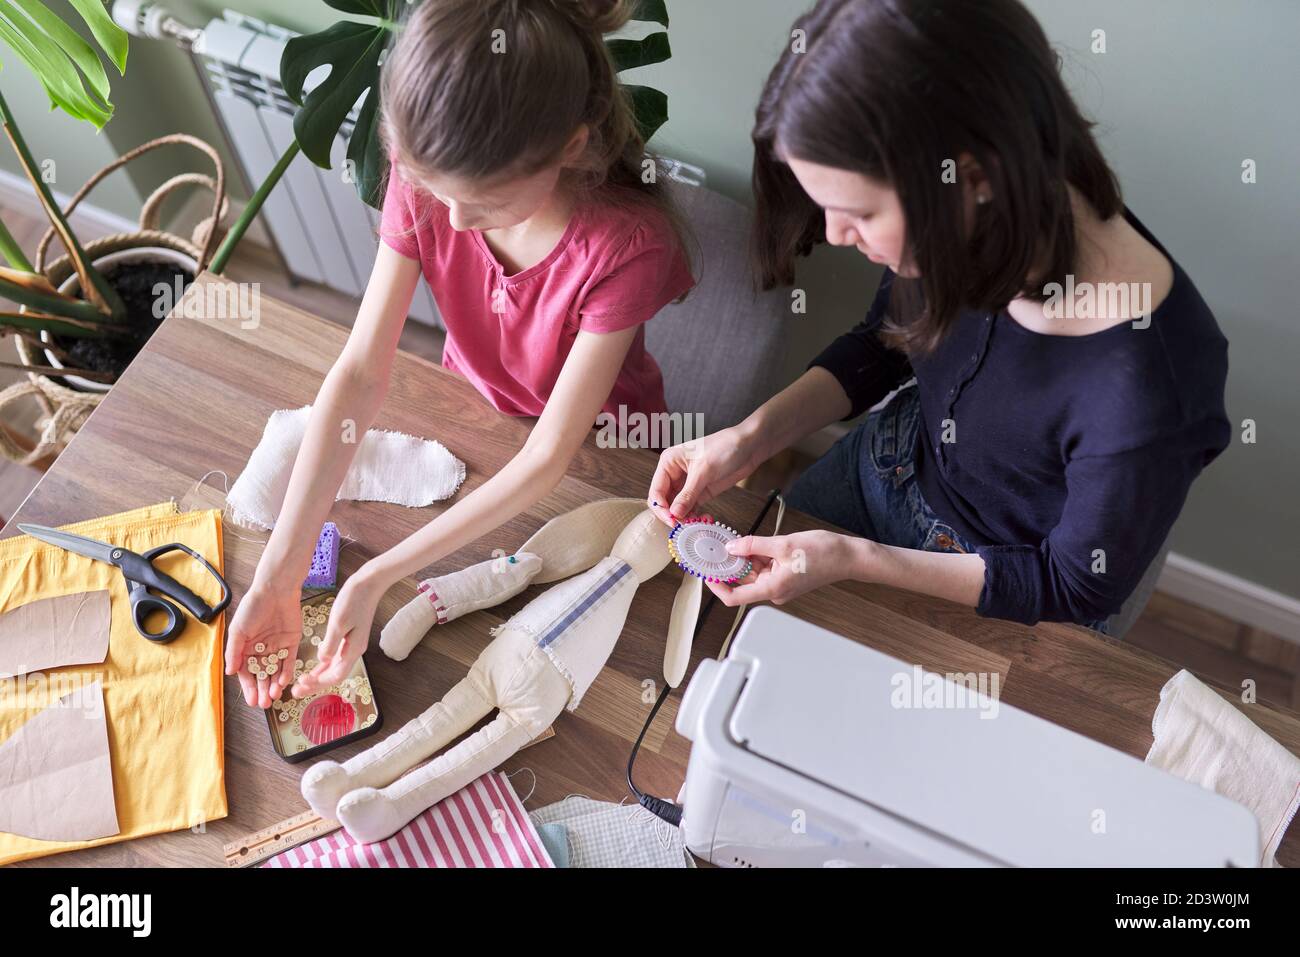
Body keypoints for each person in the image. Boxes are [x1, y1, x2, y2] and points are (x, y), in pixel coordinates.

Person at [649, 0, 1229, 634]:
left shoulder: (1149, 386)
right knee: (726, 643)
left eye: (860, 214)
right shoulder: (975, 216)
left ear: (974, 175)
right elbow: (883, 344)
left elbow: (1073, 586)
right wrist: (751, 437)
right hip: (879, 465)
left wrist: (854, 559)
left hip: (994, 584)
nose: (838, 235)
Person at [227, 0, 694, 708]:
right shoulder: (425, 176)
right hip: (470, 403)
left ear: (570, 147)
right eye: (436, 194)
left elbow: (545, 458)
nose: (449, 221)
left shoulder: (627, 247)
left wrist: (376, 574)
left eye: (481, 204)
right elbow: (358, 372)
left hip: (606, 450)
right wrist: (278, 574)